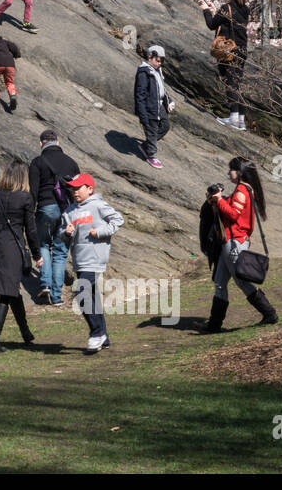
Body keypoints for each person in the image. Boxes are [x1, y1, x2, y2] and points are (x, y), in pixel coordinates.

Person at [201, 157, 278, 332]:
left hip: (234, 242)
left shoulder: (242, 190)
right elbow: (229, 213)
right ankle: (213, 326)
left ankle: (270, 314)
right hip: (230, 241)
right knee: (220, 282)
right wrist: (215, 202)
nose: (229, 172)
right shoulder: (244, 190)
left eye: (231, 170)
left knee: (241, 282)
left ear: (240, 172)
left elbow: (234, 215)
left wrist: (220, 200)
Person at [0, 159, 40, 353]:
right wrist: (37, 254)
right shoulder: (25, 198)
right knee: (6, 292)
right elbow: (31, 230)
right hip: (11, 248)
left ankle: (26, 333)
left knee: (11, 289)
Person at [60, 173, 124, 353]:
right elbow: (61, 235)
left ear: (90, 188)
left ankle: (96, 333)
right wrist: (66, 233)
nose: (74, 192)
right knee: (92, 298)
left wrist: (102, 231)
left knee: (82, 294)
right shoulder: (69, 211)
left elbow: (118, 220)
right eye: (72, 188)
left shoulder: (98, 205)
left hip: (95, 259)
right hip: (79, 260)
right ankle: (103, 337)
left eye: (78, 188)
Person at [28, 130, 79, 304]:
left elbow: (33, 192)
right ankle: (57, 297)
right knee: (60, 253)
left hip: (45, 208)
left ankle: (45, 283)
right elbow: (77, 189)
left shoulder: (37, 162)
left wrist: (29, 214)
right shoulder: (71, 162)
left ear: (41, 143)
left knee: (43, 244)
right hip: (67, 210)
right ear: (58, 142)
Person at [201, 0, 250, 131]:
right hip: (241, 50)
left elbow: (211, 24)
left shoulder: (226, 8)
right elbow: (228, 22)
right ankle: (240, 120)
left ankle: (233, 117)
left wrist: (205, 11)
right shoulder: (246, 9)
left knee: (230, 83)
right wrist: (215, 11)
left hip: (228, 51)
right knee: (237, 82)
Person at [134, 44, 175, 168]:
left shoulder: (157, 71)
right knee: (152, 131)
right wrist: (143, 115)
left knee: (165, 126)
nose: (159, 63)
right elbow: (139, 95)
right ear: (150, 57)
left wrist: (169, 101)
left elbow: (162, 89)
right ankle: (151, 155)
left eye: (161, 61)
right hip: (149, 108)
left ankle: (146, 145)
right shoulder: (144, 72)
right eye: (157, 60)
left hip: (159, 104)